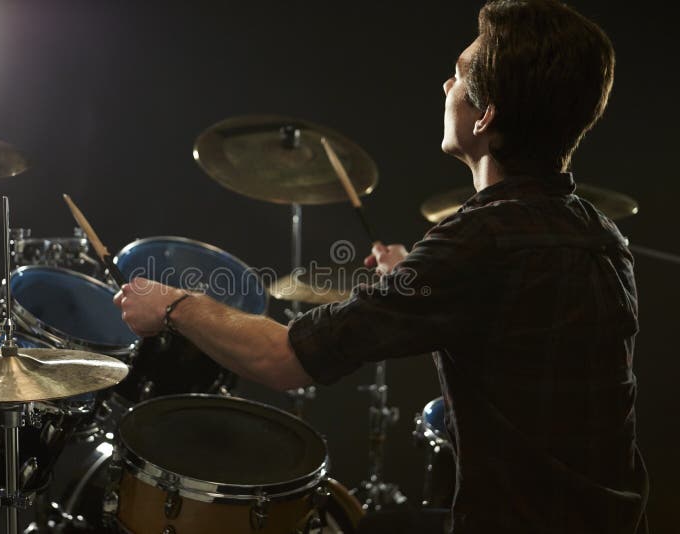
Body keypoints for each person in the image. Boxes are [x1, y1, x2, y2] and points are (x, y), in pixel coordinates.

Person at [114, 0, 648, 532]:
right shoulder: (602, 235)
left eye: (459, 74)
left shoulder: (479, 241)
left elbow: (284, 360)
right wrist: (411, 275)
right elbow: (512, 319)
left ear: (486, 115)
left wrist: (175, 305)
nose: (446, 86)